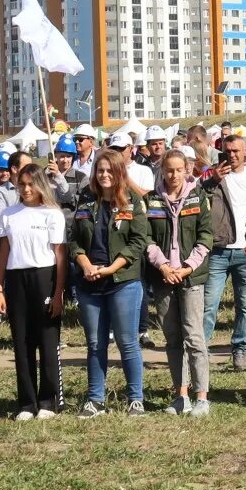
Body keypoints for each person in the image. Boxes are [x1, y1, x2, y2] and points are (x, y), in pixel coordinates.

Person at [69, 150, 150, 418]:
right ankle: (95, 399)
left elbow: (138, 242)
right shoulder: (86, 200)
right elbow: (74, 241)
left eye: (109, 171)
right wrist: (86, 265)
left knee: (128, 342)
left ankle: (135, 399)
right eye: (100, 170)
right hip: (89, 281)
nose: (104, 175)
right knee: (94, 344)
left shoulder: (133, 201)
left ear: (119, 173)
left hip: (122, 281)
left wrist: (110, 269)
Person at [0, 165, 67, 421]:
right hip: (16, 279)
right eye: (21, 184)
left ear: (40, 185)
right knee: (22, 343)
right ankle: (26, 402)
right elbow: (3, 252)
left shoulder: (53, 214)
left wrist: (58, 293)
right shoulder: (8, 214)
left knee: (47, 341)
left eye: (30, 184)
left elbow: (60, 256)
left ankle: (49, 400)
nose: (26, 189)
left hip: (45, 278)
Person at [146, 150, 215, 416]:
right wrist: (163, 266)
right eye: (168, 170)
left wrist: (187, 268)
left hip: (191, 276)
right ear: (162, 170)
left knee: (194, 336)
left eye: (178, 170)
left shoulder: (199, 197)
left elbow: (206, 236)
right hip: (163, 277)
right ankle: (181, 395)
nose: (173, 175)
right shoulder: (151, 200)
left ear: (187, 169)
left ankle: (202, 397)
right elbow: (147, 239)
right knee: (172, 339)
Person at [202, 133, 246, 368]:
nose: (232, 155)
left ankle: (240, 349)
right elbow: (196, 197)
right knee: (209, 304)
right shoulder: (213, 175)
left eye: (237, 151)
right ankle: (200, 349)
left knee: (244, 305)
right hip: (218, 250)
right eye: (228, 151)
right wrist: (212, 180)